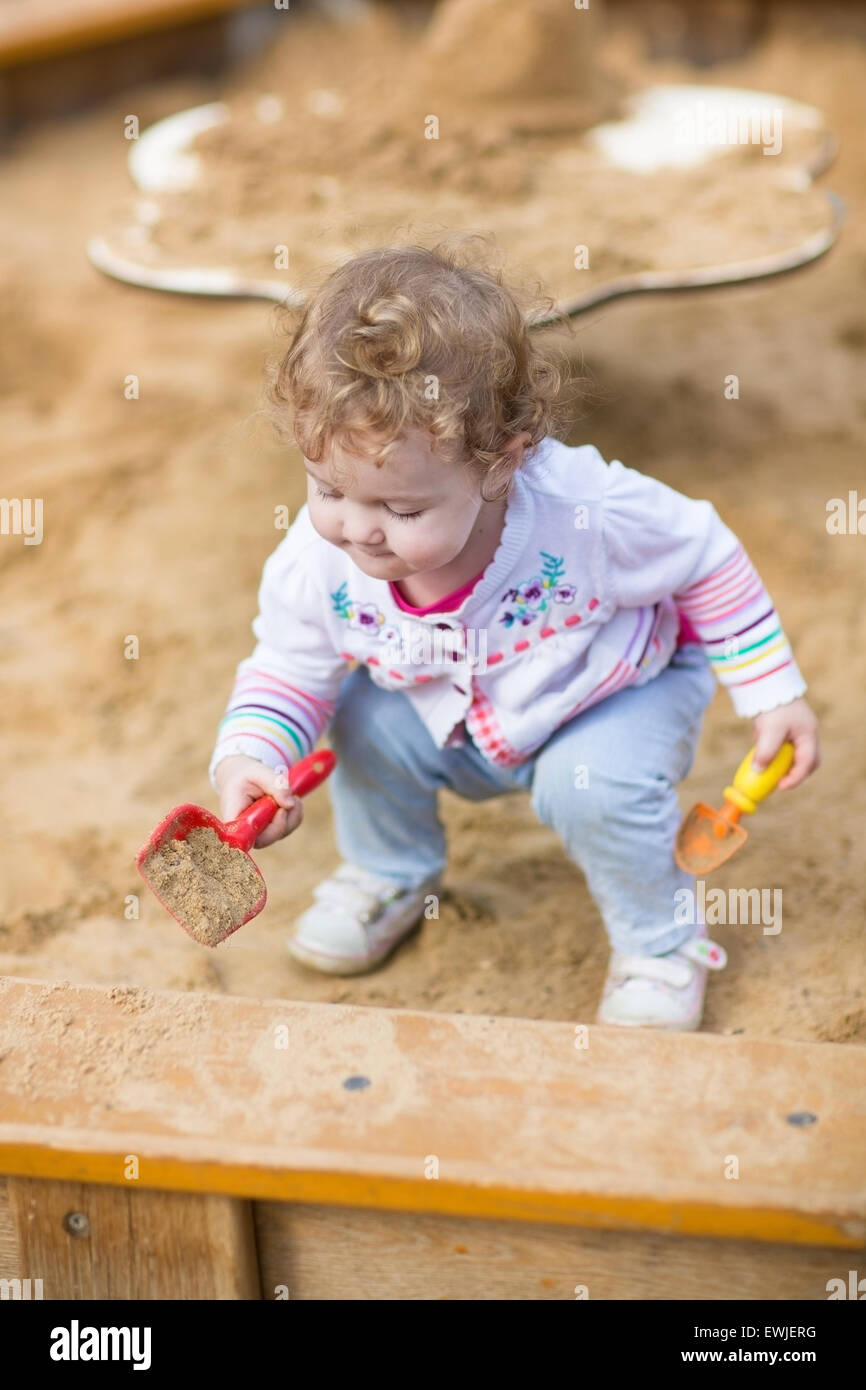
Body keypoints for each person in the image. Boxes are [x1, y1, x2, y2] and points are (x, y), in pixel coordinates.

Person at [209, 240, 820, 1030]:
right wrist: (255, 755)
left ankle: (659, 943)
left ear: (501, 464)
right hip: (447, 711)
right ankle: (390, 872)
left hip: (606, 691)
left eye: (402, 510)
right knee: (357, 716)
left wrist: (772, 690)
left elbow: (703, 554)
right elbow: (289, 668)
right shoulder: (315, 560)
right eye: (328, 488)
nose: (358, 531)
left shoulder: (585, 510)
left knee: (589, 787)